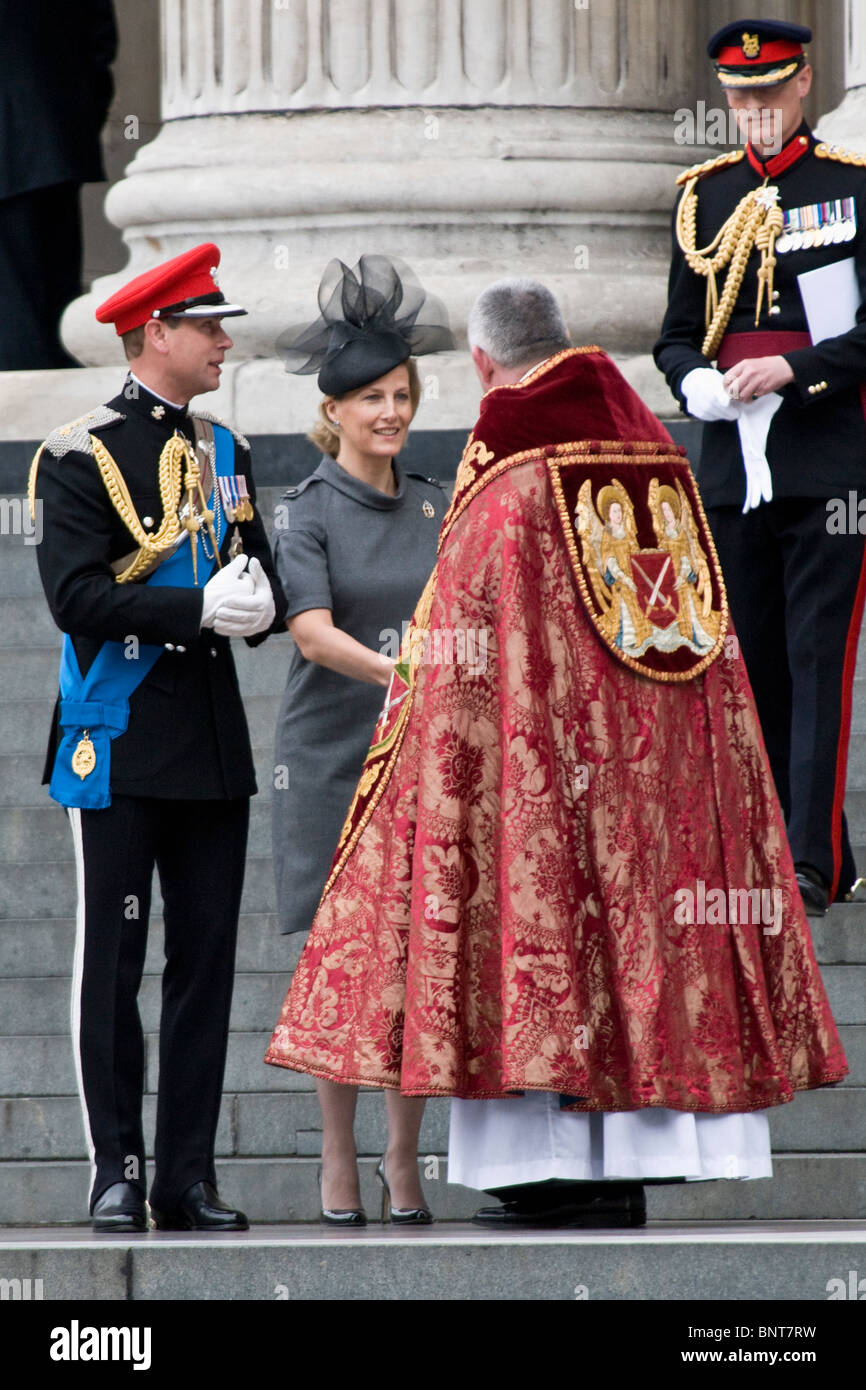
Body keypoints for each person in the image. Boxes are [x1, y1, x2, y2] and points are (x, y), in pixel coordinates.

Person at [265, 276, 847, 1229]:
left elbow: (465, 652)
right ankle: (631, 1163)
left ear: (486, 364)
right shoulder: (657, 459)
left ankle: (545, 1164)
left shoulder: (504, 474)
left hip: (540, 778)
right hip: (659, 786)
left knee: (543, 936)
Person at [29, 242, 288, 1233]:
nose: (224, 342)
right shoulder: (78, 449)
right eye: (208, 326)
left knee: (204, 965)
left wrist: (258, 602)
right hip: (122, 733)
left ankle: (185, 1174)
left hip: (209, 742)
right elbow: (75, 598)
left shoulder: (227, 452)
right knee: (115, 959)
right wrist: (194, 608)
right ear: (155, 334)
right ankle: (116, 1167)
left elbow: (248, 574)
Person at [653, 18, 866, 917]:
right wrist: (694, 379)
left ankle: (809, 863)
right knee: (756, 660)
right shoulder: (702, 196)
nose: (754, 113)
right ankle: (801, 840)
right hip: (736, 463)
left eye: (769, 94)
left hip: (827, 458)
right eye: (740, 99)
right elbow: (671, 334)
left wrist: (797, 368)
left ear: (804, 85)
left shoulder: (850, 189)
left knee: (819, 655)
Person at [271, 254, 453, 1224]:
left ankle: (400, 1157)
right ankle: (337, 1158)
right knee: (337, 967)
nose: (388, 411)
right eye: (369, 398)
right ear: (332, 411)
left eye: (399, 395)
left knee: (415, 960)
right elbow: (307, 631)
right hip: (332, 753)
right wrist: (399, 674)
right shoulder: (303, 509)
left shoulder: (436, 501)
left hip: (421, 756)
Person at [0, 2, 117, 369]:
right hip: (57, 142)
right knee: (54, 294)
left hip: (24, 146)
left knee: (17, 308)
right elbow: (100, 49)